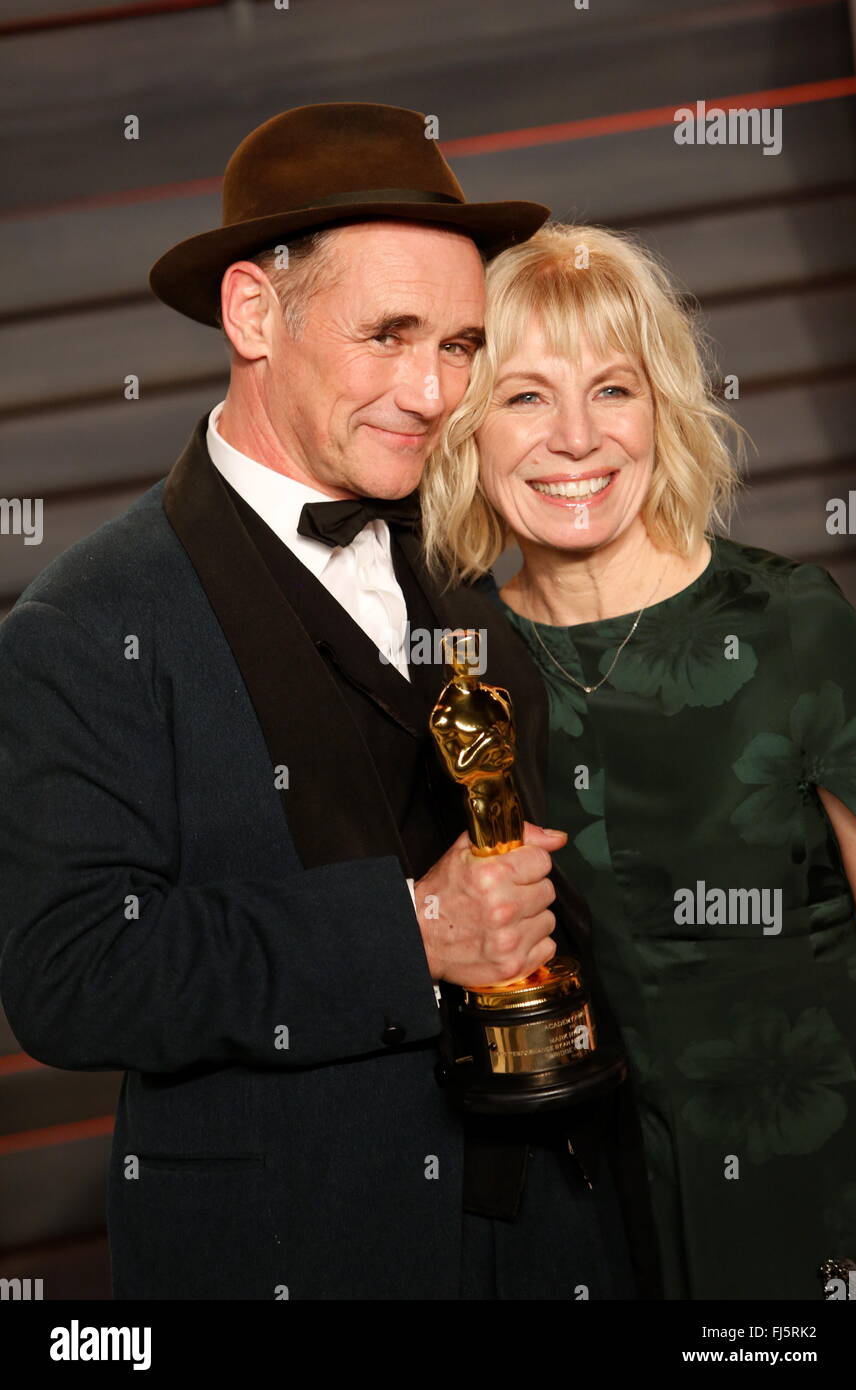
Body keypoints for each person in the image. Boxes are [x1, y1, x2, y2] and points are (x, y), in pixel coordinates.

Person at [0, 108, 660, 1300]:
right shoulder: (83, 623)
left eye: (460, 344)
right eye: (390, 334)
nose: (431, 389)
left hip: (552, 1235)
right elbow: (71, 972)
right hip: (291, 1253)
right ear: (254, 313)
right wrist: (410, 932)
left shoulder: (463, 552)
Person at [420, 220, 856, 1300]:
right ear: (466, 430)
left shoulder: (789, 621)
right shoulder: (456, 663)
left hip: (821, 1172)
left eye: (612, 389)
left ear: (663, 411)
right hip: (581, 1204)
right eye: (526, 396)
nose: (576, 437)